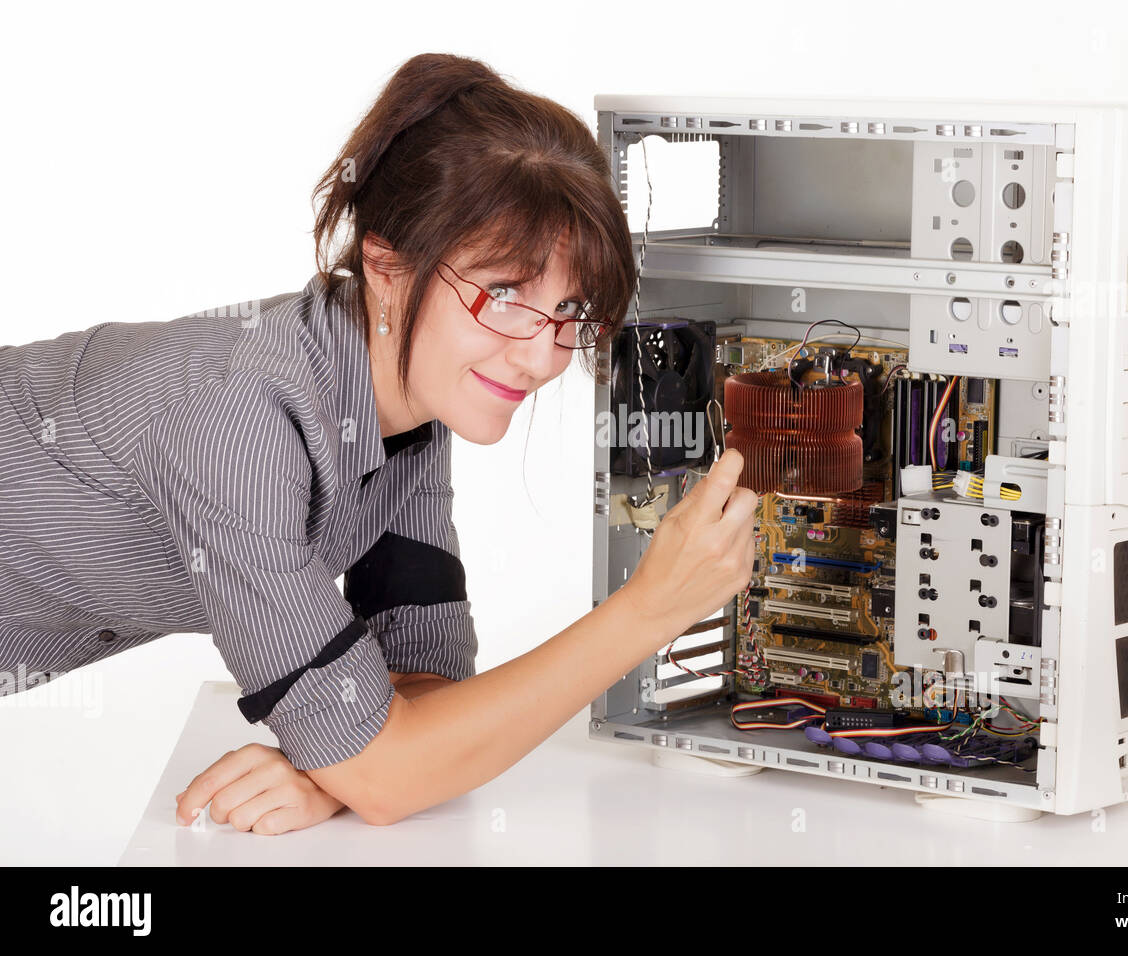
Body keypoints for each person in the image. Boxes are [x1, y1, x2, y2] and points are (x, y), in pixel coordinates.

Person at [0, 52, 757, 834]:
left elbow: (421, 681)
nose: (542, 355)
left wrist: (334, 770)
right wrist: (648, 610)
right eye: (503, 295)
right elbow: (391, 767)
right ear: (387, 268)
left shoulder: (407, 412)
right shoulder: (241, 424)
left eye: (569, 307)